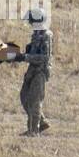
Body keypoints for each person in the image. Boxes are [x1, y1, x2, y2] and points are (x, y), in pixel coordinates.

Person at [19, 7, 53, 135]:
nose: (30, 23)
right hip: (32, 70)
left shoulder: (46, 35)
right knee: (24, 97)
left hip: (40, 71)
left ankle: (33, 130)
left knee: (35, 99)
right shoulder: (36, 34)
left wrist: (26, 57)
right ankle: (41, 122)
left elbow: (45, 57)